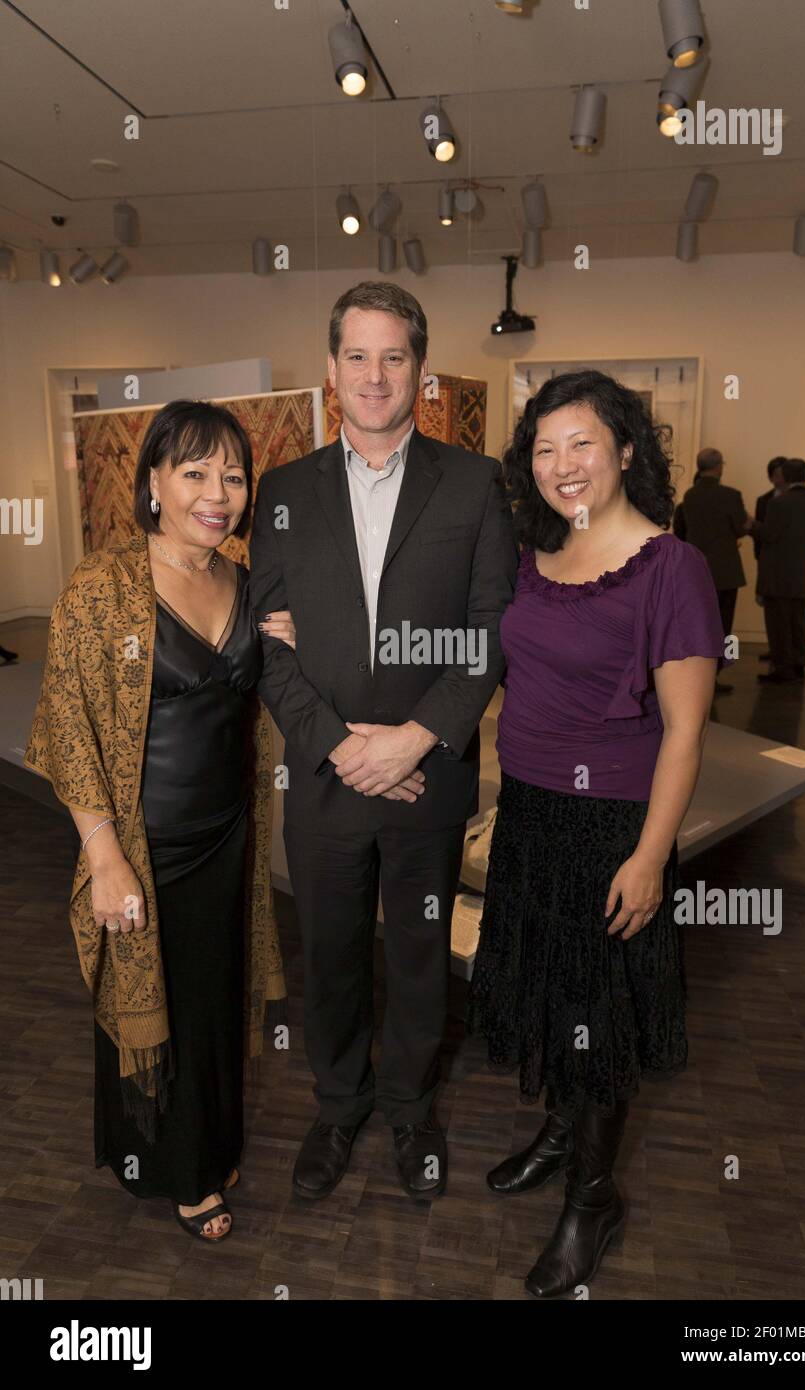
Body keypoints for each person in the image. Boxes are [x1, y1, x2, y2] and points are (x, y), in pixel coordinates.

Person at [249, 281, 518, 1203]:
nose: (374, 375)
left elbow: (489, 634)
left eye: (393, 356)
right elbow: (266, 644)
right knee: (326, 955)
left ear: (422, 371)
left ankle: (409, 1111)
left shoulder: (477, 485)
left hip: (428, 780)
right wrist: (339, 748)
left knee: (417, 953)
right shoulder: (280, 494)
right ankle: (338, 1105)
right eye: (356, 356)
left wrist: (412, 742)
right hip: (323, 783)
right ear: (330, 371)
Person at [467, 370, 725, 1299]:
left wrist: (652, 856)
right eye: (543, 448)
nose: (562, 465)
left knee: (601, 1012)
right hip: (532, 813)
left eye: (581, 444)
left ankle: (594, 1197)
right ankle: (562, 1130)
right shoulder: (536, 554)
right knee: (548, 989)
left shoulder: (671, 567)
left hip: (615, 825)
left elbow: (687, 733)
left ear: (625, 450)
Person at [24, 400, 293, 1242]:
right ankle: (178, 1171)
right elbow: (66, 727)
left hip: (230, 839)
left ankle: (211, 1143)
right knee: (155, 1003)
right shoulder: (102, 588)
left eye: (234, 475)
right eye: (195, 473)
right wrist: (104, 854)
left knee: (213, 1001)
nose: (219, 493)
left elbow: (257, 696)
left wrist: (288, 641)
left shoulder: (248, 580)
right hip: (144, 843)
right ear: (151, 482)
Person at [672, 447, 750, 690]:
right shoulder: (731, 495)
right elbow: (740, 528)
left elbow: (682, 532)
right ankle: (715, 674)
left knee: (699, 624)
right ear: (719, 467)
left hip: (697, 570)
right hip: (726, 570)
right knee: (723, 625)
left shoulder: (690, 496)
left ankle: (700, 675)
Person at [755, 457, 805, 683]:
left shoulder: (779, 503)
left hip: (778, 573)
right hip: (803, 570)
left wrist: (751, 525)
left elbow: (769, 534)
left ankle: (783, 668)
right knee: (799, 621)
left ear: (785, 476)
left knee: (779, 624)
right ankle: (799, 662)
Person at [753, 457, 788, 661]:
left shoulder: (798, 498)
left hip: (789, 562)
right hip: (768, 559)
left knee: (789, 611)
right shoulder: (764, 500)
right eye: (775, 474)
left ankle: (786, 653)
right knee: (771, 608)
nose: (778, 478)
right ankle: (776, 648)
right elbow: (761, 534)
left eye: (781, 474)